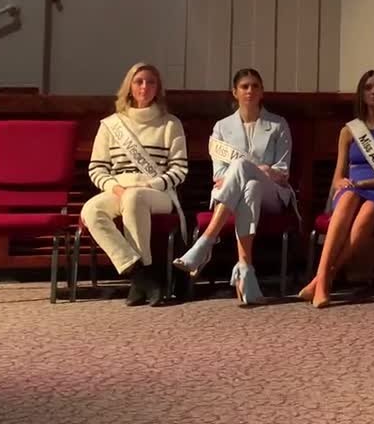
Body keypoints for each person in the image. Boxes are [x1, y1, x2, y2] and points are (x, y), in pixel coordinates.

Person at [172, 68, 295, 305]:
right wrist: (259, 170)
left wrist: (261, 171)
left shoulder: (278, 125)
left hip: (273, 193)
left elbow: (281, 172)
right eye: (244, 86)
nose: (250, 90)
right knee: (250, 188)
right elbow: (218, 175)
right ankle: (246, 271)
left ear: (262, 92)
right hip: (237, 192)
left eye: (255, 86)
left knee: (242, 169)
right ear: (234, 92)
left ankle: (206, 242)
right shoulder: (221, 127)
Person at [299, 69, 374, 309]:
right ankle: (322, 279)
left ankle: (324, 278)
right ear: (361, 94)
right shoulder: (349, 130)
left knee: (369, 210)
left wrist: (363, 184)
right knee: (349, 196)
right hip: (351, 190)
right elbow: (338, 177)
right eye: (368, 87)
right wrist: (343, 183)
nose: (373, 91)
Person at [82, 62, 190, 306]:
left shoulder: (170, 124)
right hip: (119, 188)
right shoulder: (111, 124)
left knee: (134, 198)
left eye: (150, 82)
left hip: (158, 192)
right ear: (129, 87)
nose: (144, 87)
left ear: (158, 88)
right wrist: (115, 188)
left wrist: (153, 185)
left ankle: (143, 279)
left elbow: (180, 169)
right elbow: (96, 168)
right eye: (139, 81)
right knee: (91, 210)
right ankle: (141, 275)